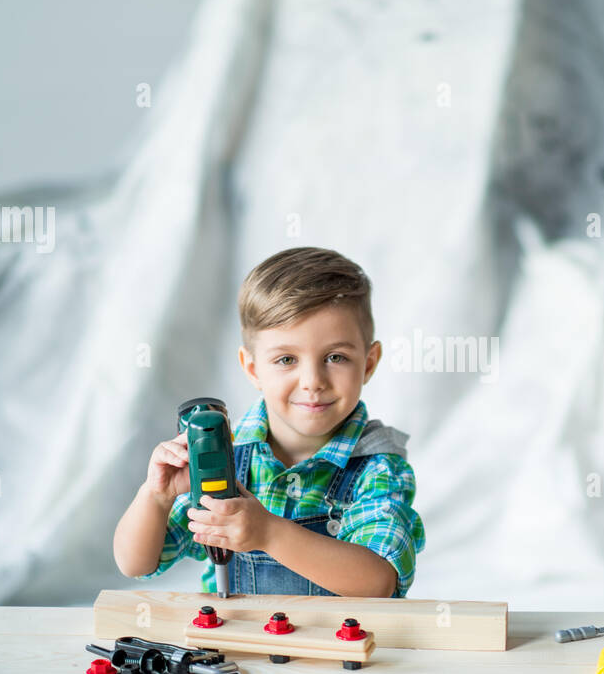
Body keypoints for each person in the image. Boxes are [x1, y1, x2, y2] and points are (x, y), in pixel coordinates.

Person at [113, 247, 425, 597]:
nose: (312, 381)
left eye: (335, 357)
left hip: (336, 646)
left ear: (368, 363)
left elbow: (378, 583)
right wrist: (156, 498)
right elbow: (136, 564)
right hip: (241, 646)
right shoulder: (222, 459)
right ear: (252, 368)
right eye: (287, 359)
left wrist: (269, 533)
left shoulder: (378, 466)